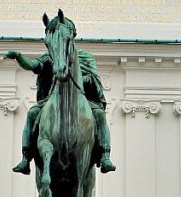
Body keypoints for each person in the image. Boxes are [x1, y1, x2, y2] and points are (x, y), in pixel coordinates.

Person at [6, 47, 116, 175]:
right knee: (32, 114)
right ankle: (25, 158)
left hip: (80, 99)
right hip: (53, 98)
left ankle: (105, 156)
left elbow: (93, 79)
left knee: (99, 115)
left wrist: (77, 77)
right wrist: (19, 56)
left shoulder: (85, 57)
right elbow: (31, 65)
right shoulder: (50, 56)